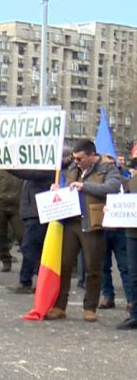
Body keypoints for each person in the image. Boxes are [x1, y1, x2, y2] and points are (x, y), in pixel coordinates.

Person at [47, 139, 122, 322]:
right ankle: (59, 306)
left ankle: (90, 307)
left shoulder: (108, 168)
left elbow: (112, 188)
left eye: (80, 158)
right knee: (64, 266)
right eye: (75, 158)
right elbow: (67, 188)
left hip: (92, 223)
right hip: (71, 222)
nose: (77, 161)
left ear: (92, 155)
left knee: (93, 267)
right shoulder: (72, 168)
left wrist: (84, 186)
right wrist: (57, 190)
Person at [7, 151, 72, 293]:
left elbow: (27, 173)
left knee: (29, 248)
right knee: (34, 248)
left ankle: (35, 279)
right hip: (34, 213)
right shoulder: (47, 168)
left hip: (38, 214)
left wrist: (7, 165)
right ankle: (30, 281)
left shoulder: (49, 169)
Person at [99, 154, 131, 310]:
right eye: (105, 165)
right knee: (104, 266)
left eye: (112, 164)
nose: (109, 167)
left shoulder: (127, 183)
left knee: (125, 266)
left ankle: (131, 299)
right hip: (103, 229)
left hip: (121, 230)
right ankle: (108, 296)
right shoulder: (98, 182)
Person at [0, 170, 24, 272]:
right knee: (1, 235)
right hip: (0, 205)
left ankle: (29, 261)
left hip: (17, 205)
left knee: (21, 234)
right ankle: (5, 260)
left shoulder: (20, 170)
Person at [117, 158, 137, 330]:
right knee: (134, 274)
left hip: (132, 233)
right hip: (132, 233)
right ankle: (135, 314)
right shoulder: (130, 182)